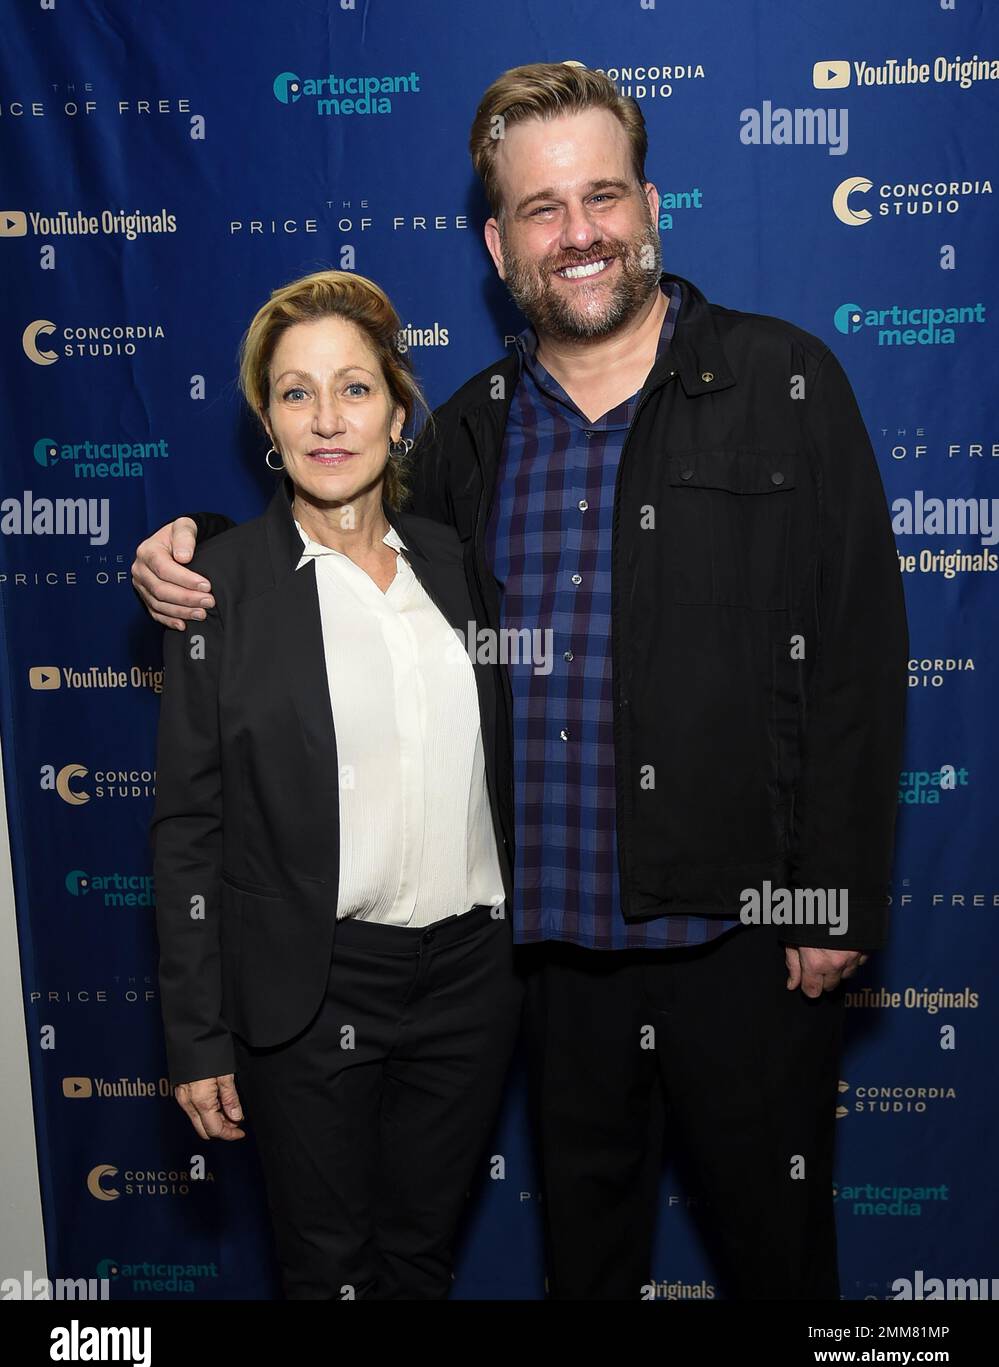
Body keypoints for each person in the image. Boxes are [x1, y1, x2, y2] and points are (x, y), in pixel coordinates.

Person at [135, 64, 908, 1300]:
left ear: (651, 205)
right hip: (544, 961)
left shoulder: (784, 382)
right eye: (543, 210)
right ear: (499, 244)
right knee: (586, 1271)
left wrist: (838, 897)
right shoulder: (470, 433)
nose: (581, 232)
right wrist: (185, 546)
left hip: (746, 944)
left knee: (780, 1264)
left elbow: (861, 656)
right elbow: (335, 536)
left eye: (603, 197)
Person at [148, 268, 522, 1301]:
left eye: (354, 389)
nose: (327, 419)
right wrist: (196, 1036)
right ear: (266, 419)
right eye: (296, 391)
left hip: (469, 985)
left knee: (418, 1260)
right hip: (310, 991)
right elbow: (188, 824)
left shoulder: (458, 566)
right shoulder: (216, 592)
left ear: (399, 411)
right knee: (327, 1272)